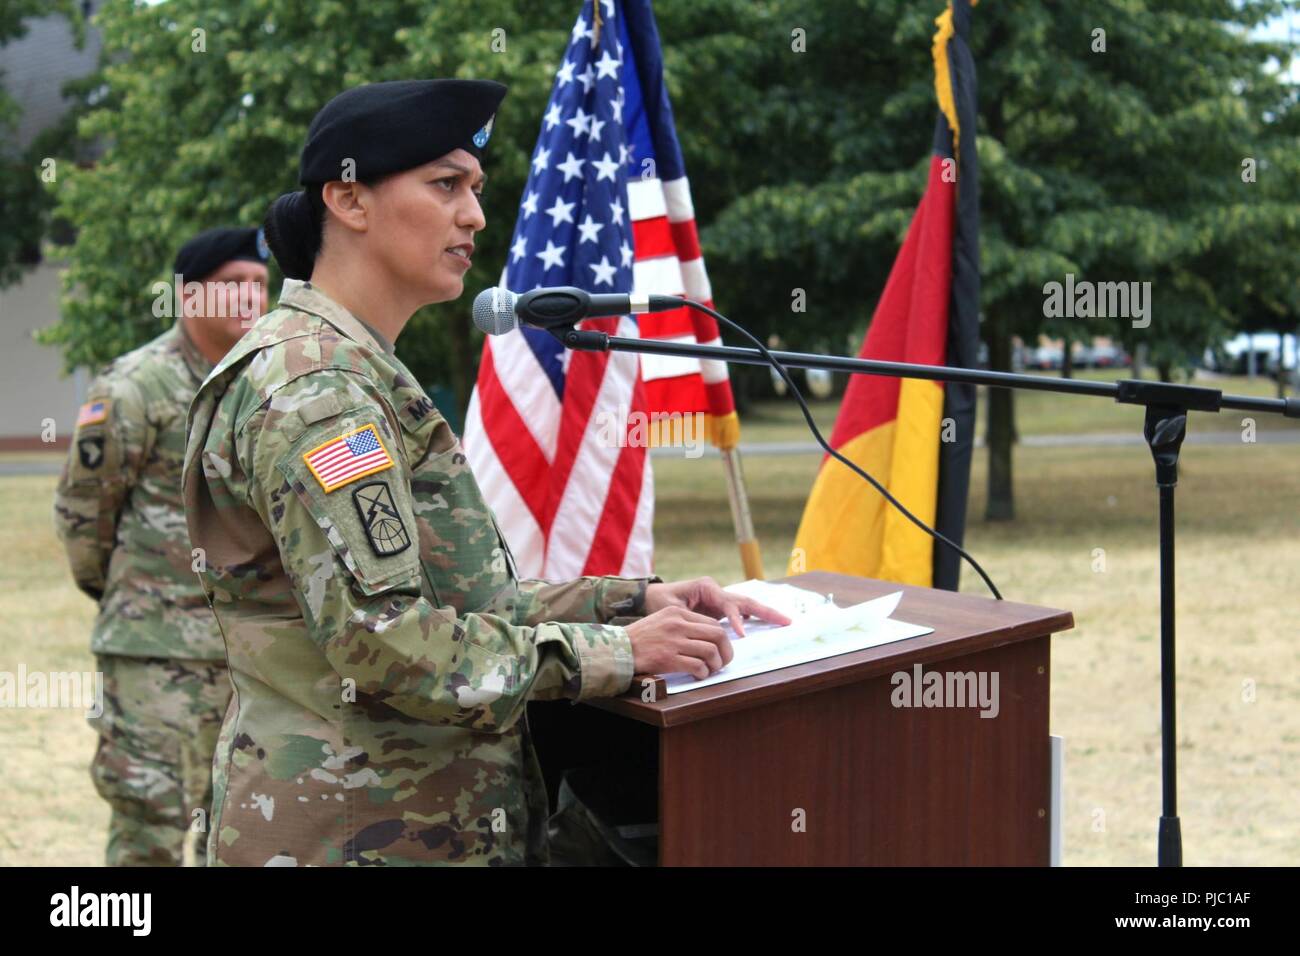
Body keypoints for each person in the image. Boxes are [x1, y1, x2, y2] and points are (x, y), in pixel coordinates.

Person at [181, 78, 789, 866]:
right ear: (349, 200)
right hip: (356, 837)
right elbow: (387, 641)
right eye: (445, 185)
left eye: (476, 189)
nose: (473, 214)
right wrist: (617, 654)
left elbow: (462, 603)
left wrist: (630, 601)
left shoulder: (357, 370)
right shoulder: (319, 392)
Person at [54, 226, 269, 865]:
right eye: (232, 287)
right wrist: (131, 598)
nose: (250, 301)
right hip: (155, 654)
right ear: (188, 296)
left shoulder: (270, 385)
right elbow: (84, 515)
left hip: (254, 654)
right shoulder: (134, 388)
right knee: (148, 822)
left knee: (242, 826)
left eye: (260, 287)